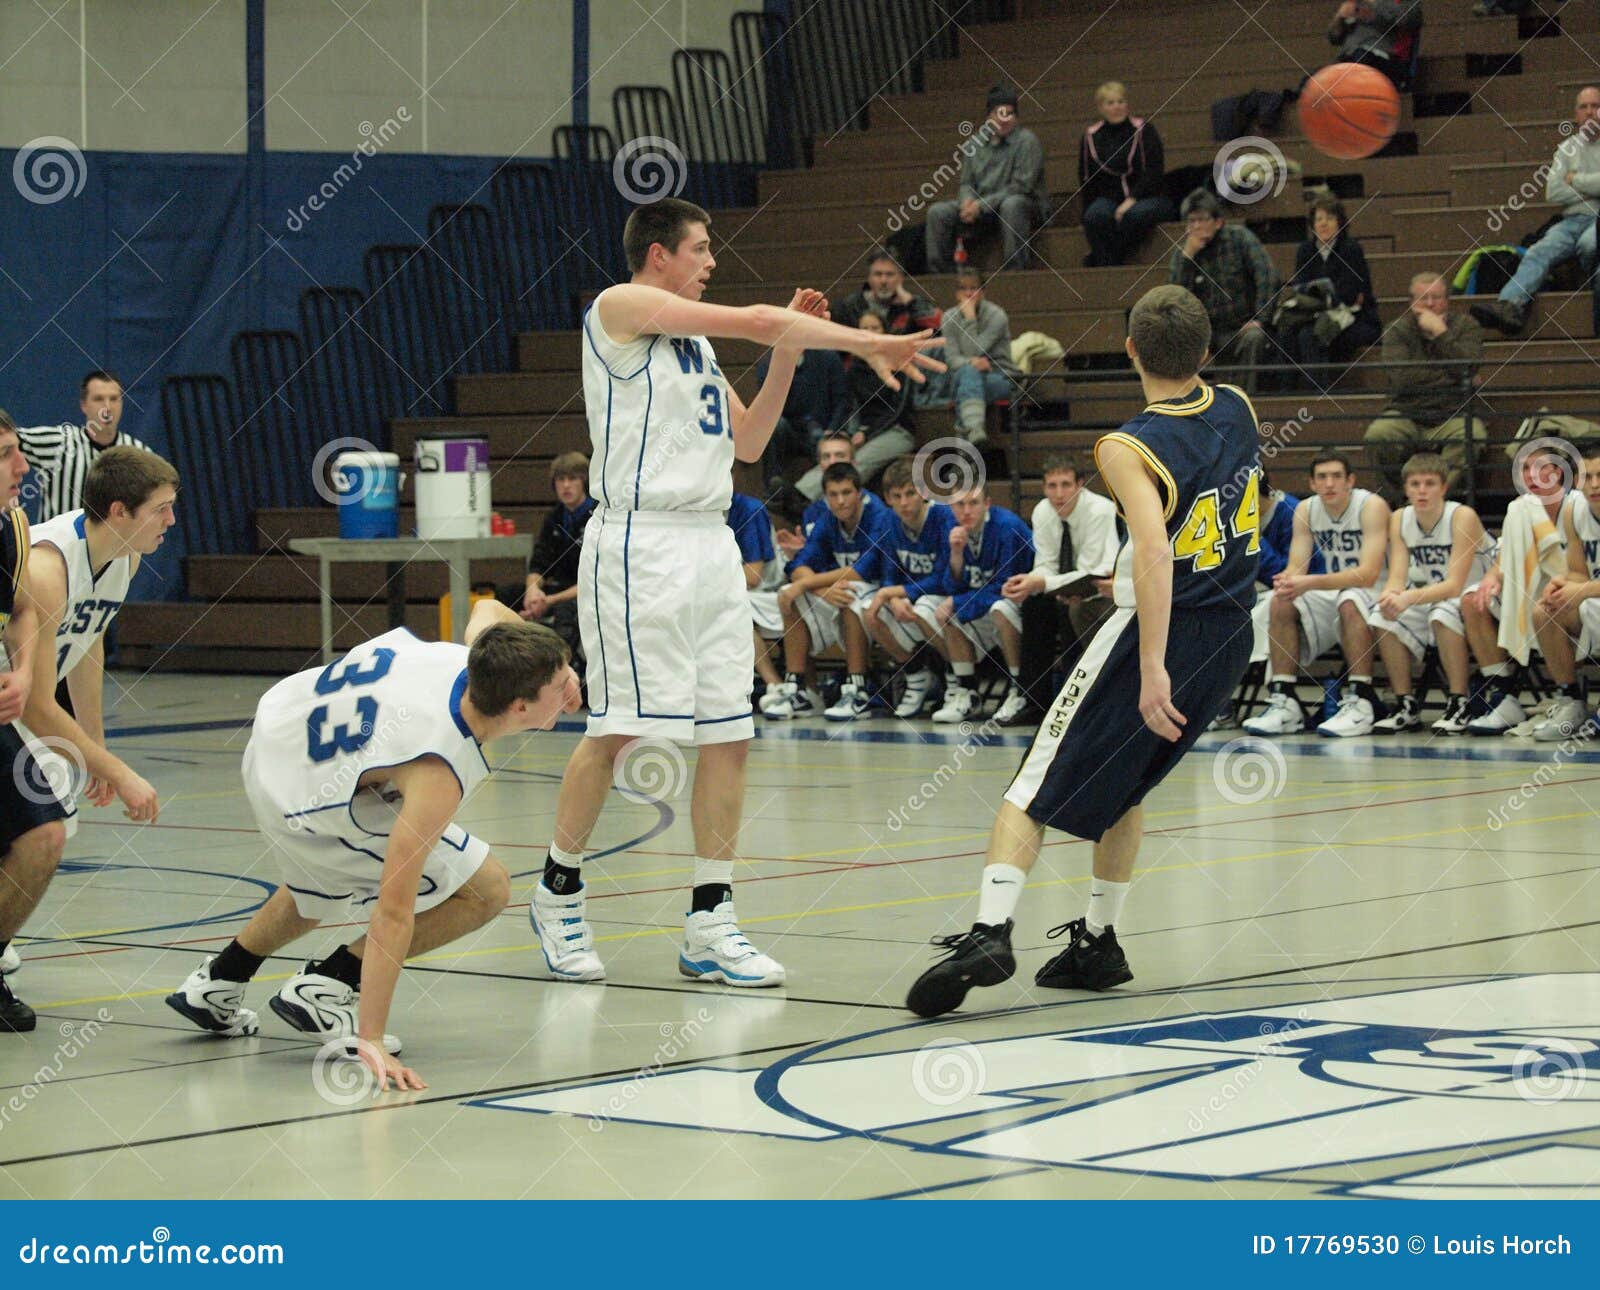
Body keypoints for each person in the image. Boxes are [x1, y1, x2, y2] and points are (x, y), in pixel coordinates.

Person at [537, 197, 941, 988]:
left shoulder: (695, 351)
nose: (711, 260)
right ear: (660, 255)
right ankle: (558, 891)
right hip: (639, 543)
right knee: (620, 729)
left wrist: (788, 352)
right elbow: (756, 319)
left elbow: (750, 441)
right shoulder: (618, 309)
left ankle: (710, 922)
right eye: (700, 247)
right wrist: (866, 341)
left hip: (708, 542)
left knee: (729, 733)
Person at [904, 285, 1258, 1016]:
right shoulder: (1239, 406)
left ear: (1129, 350)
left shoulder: (1127, 445)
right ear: (1206, 350)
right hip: (1230, 631)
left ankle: (991, 931)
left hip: (1161, 626)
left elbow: (1154, 551)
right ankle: (1099, 941)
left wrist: (1151, 663)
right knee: (1126, 788)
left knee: (1030, 786)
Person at [166, 604, 580, 1091]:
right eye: (561, 684)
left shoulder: (481, 657)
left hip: (282, 733)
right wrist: (373, 1040)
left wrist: (555, 666)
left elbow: (486, 607)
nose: (572, 689)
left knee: (328, 873)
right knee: (486, 889)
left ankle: (219, 982)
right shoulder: (437, 770)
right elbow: (393, 913)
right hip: (301, 793)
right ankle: (326, 989)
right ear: (521, 708)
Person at [15, 446, 174, 830]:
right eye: (160, 509)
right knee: (41, 833)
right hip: (18, 705)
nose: (170, 520)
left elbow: (87, 643)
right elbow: (36, 706)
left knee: (48, 832)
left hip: (14, 708)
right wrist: (118, 772)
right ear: (120, 511)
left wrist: (94, 743)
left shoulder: (125, 554)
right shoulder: (48, 570)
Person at [0, 413, 69, 1031]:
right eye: (4, 454)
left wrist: (22, 671)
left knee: (43, 836)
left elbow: (21, 608)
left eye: (19, 451)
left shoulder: (12, 525)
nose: (22, 466)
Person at [1243, 452, 1391, 737]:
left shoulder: (1371, 505)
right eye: (1322, 477)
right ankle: (1285, 701)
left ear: (1350, 481)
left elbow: (1368, 574)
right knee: (1281, 599)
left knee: (1350, 600)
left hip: (1376, 592)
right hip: (1332, 590)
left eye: (1336, 476)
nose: (1329, 483)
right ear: (1312, 483)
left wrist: (1309, 582)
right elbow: (1296, 568)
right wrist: (1288, 581)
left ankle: (1361, 700)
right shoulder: (1306, 509)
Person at [1366, 453, 1493, 733]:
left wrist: (1407, 597)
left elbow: (1455, 585)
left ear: (1444, 487)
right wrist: (1390, 596)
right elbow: (1397, 576)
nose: (1422, 491)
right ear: (1406, 488)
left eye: (1430, 483)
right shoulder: (1399, 518)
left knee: (1442, 613)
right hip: (1438, 595)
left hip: (1480, 597)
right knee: (1381, 615)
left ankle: (1459, 701)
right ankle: (1405, 704)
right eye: (1415, 484)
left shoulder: (1462, 516)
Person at [1457, 440, 1575, 734]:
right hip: (1529, 591)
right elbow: (1505, 558)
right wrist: (1491, 578)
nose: (1531, 474)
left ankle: (1571, 697)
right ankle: (1503, 692)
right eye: (1525, 468)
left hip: (1573, 592)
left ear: (1557, 472)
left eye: (1539, 467)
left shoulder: (1578, 506)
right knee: (1473, 598)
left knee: (1547, 608)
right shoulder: (1520, 509)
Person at [768, 461, 899, 722]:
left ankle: (857, 690)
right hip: (844, 592)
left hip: (883, 594)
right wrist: (819, 589)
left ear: (859, 493)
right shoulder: (828, 517)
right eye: (833, 495)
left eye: (846, 493)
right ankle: (798, 690)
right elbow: (798, 563)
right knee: (788, 594)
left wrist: (807, 585)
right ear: (826, 497)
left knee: (848, 592)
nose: (840, 501)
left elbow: (863, 569)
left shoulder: (879, 515)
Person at [1001, 455, 1120, 727]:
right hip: (1064, 585)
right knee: (1034, 605)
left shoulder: (1100, 510)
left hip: (1100, 589)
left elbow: (1091, 569)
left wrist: (1043, 583)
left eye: (1065, 485)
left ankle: (1073, 703)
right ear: (1044, 488)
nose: (1058, 493)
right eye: (1051, 486)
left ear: (1080, 485)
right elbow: (1046, 564)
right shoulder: (1042, 511)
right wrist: (1028, 581)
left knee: (1071, 608)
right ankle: (1033, 702)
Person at [1472, 87, 1600, 336]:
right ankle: (1510, 305)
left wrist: (1576, 180)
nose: (1589, 112)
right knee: (1538, 250)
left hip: (1597, 220)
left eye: (1595, 106)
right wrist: (1592, 188)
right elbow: (1553, 192)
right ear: (1576, 115)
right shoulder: (1566, 148)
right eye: (1583, 107)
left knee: (1589, 244)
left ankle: (1589, 285)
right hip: (1571, 220)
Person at [911, 482, 1035, 724]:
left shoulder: (1006, 527)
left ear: (987, 503)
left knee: (997, 608)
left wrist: (957, 602)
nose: (966, 511)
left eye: (973, 503)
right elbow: (950, 587)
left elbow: (1004, 586)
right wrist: (956, 554)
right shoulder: (954, 529)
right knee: (937, 608)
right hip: (983, 601)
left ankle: (1018, 691)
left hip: (1024, 603)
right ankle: (967, 691)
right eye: (960, 504)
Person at [1364, 273, 1486, 495]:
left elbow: (1468, 367)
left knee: (1472, 435)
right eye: (1423, 298)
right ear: (1412, 302)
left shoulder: (1466, 326)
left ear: (1447, 301)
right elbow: (1402, 379)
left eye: (1436, 297)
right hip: (1406, 412)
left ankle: (1434, 498)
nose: (1430, 304)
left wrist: (1440, 333)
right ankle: (1401, 501)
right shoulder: (1397, 329)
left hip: (1452, 414)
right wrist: (1454, 375)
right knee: (1378, 435)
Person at [858, 457, 958, 719]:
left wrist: (898, 593)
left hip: (946, 599)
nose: (904, 503)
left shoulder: (944, 516)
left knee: (924, 608)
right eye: (897, 496)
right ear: (887, 498)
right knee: (870, 610)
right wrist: (893, 598)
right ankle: (915, 675)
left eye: (910, 494)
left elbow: (945, 578)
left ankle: (957, 678)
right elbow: (889, 574)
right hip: (910, 598)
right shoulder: (888, 521)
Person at [926, 85, 1048, 274]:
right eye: (998, 113)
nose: (1004, 119)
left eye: (1009, 114)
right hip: (981, 208)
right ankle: (942, 275)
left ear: (1016, 117)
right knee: (937, 212)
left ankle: (1015, 271)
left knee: (1012, 204)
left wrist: (981, 206)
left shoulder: (1027, 141)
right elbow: (966, 183)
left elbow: (1021, 186)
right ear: (988, 117)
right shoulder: (974, 143)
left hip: (1023, 206)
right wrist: (966, 202)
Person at [1168, 189, 1280, 394]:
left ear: (1218, 222)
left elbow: (1267, 275)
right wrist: (1188, 259)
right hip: (1206, 333)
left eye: (1202, 220)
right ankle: (1188, 405)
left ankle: (1243, 399)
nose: (1196, 226)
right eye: (1191, 221)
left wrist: (1260, 318)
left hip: (1241, 326)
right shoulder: (1184, 253)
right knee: (1176, 341)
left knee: (1255, 337)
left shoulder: (1240, 239)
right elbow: (1175, 299)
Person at [794, 314, 915, 498]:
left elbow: (898, 410)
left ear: (885, 332)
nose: (870, 332)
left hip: (897, 430)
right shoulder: (855, 369)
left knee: (858, 460)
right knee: (838, 454)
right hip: (864, 432)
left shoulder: (899, 364)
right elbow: (851, 406)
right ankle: (799, 492)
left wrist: (867, 433)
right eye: (864, 328)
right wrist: (845, 433)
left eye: (875, 328)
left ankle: (807, 497)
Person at [1530, 443, 1600, 740]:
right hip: (1594, 598)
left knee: (1586, 604)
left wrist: (1581, 590)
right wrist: (1561, 584)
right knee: (1545, 610)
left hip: (1594, 599)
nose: (1594, 484)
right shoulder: (1574, 510)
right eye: (1587, 477)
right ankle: (1571, 700)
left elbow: (1583, 586)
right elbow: (1578, 572)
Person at [15, 371, 150, 521]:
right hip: (58, 537)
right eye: (98, 399)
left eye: (114, 399)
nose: (107, 407)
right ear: (84, 405)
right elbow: (9, 438)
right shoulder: (59, 443)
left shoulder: (140, 455)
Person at [1277, 193, 1381, 385]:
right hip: (1314, 315)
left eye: (1330, 218)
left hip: (1353, 317)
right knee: (1286, 333)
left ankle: (1318, 395)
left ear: (1339, 222)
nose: (1323, 224)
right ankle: (1287, 393)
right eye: (1319, 219)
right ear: (1312, 225)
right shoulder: (1305, 250)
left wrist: (1318, 294)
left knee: (1310, 336)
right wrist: (1324, 294)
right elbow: (1301, 288)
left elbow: (1349, 295)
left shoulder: (1351, 249)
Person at [1079, 81, 1175, 268]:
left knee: (1134, 215)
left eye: (1120, 101)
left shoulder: (1144, 130)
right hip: (1110, 199)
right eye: (1110, 103)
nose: (1117, 107)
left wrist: (1131, 200)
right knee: (1094, 216)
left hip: (1149, 197)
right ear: (1101, 108)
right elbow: (1087, 179)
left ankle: (1104, 258)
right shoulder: (1091, 136)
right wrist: (1085, 214)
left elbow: (1154, 172)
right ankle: (1107, 264)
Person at [515, 451, 594, 666]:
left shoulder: (597, 517)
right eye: (561, 479)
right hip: (559, 588)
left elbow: (593, 579)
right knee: (506, 595)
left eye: (572, 479)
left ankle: (564, 670)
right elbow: (539, 562)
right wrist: (532, 592)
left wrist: (549, 601)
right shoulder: (554, 517)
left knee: (565, 610)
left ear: (584, 482)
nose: (566, 485)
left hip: (587, 591)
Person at [940, 270, 1018, 447]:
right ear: (956, 294)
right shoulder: (949, 317)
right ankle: (975, 430)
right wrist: (970, 363)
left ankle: (968, 439)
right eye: (963, 289)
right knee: (970, 373)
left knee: (965, 389)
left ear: (983, 292)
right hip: (962, 376)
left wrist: (969, 318)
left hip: (1000, 376)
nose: (968, 294)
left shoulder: (997, 316)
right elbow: (952, 360)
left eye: (973, 288)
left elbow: (973, 350)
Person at [754, 347, 849, 486]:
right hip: (790, 431)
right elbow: (767, 405)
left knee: (823, 437)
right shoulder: (768, 363)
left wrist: (832, 430)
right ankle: (773, 483)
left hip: (823, 429)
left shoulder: (828, 357)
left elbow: (842, 401)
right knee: (775, 425)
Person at [729, 490, 786, 699]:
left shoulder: (749, 509)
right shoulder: (697, 510)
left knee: (732, 610)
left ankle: (775, 685)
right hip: (732, 589)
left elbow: (753, 576)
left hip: (768, 590)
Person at [830, 249, 941, 335]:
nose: (883, 281)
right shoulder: (850, 306)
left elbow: (935, 331)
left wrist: (911, 302)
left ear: (900, 278)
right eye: (878, 274)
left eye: (889, 274)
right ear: (869, 278)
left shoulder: (914, 306)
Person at [1328, 0, 1422, 88]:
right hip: (1349, 57)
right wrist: (1339, 17)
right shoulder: (1357, 3)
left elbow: (1409, 20)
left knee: (1361, 60)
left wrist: (1374, 4)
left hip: (1386, 59)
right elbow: (1334, 38)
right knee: (1326, 77)